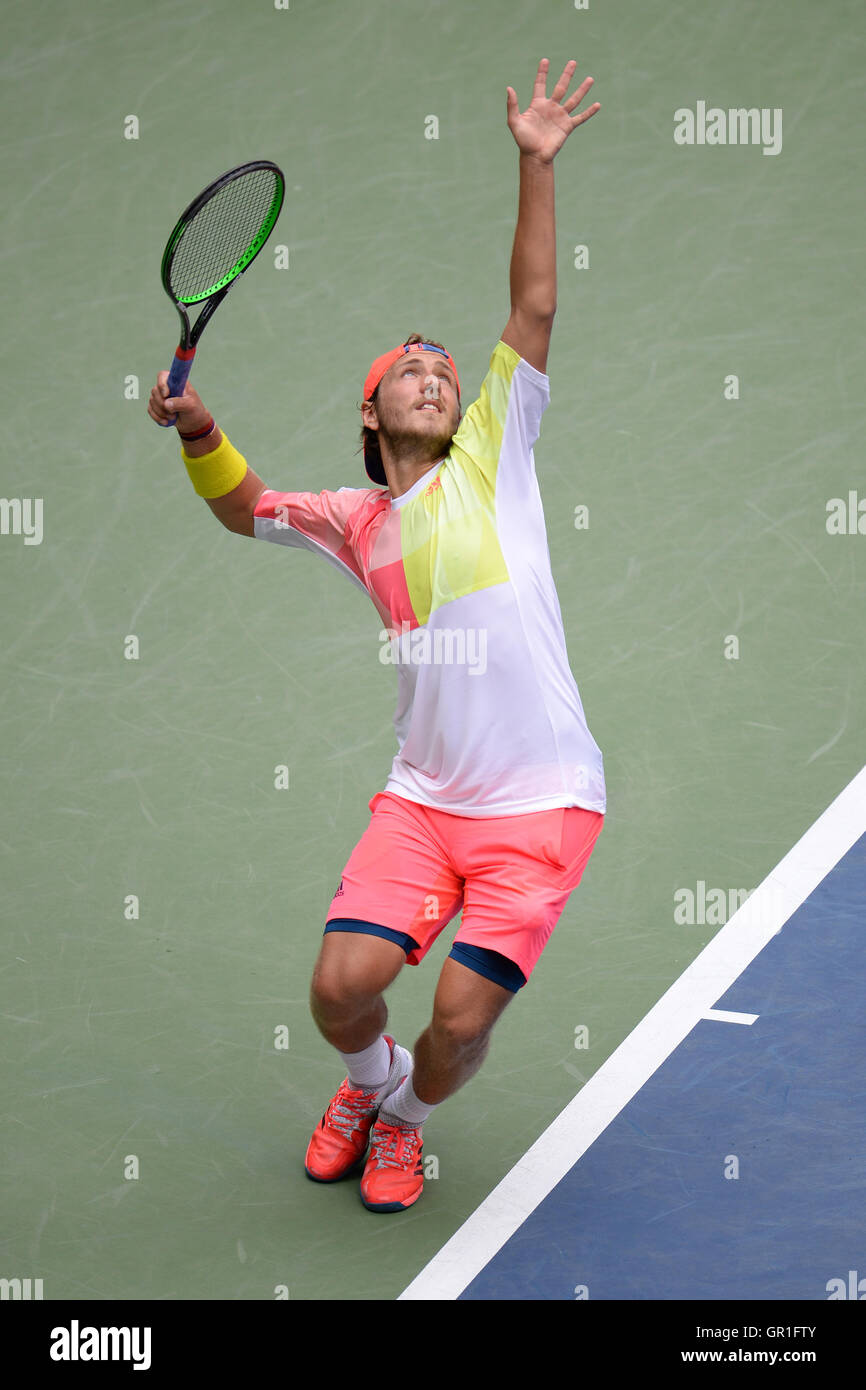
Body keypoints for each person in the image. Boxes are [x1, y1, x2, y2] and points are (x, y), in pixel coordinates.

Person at [148, 58, 605, 1214]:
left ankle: (404, 1113)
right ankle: (365, 1081)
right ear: (371, 410)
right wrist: (199, 427)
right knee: (338, 988)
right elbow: (245, 507)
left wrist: (535, 165)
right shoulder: (355, 523)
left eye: (443, 371)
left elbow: (532, 308)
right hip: (422, 799)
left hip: (540, 807)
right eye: (408, 371)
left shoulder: (493, 456)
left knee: (458, 1021)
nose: (432, 376)